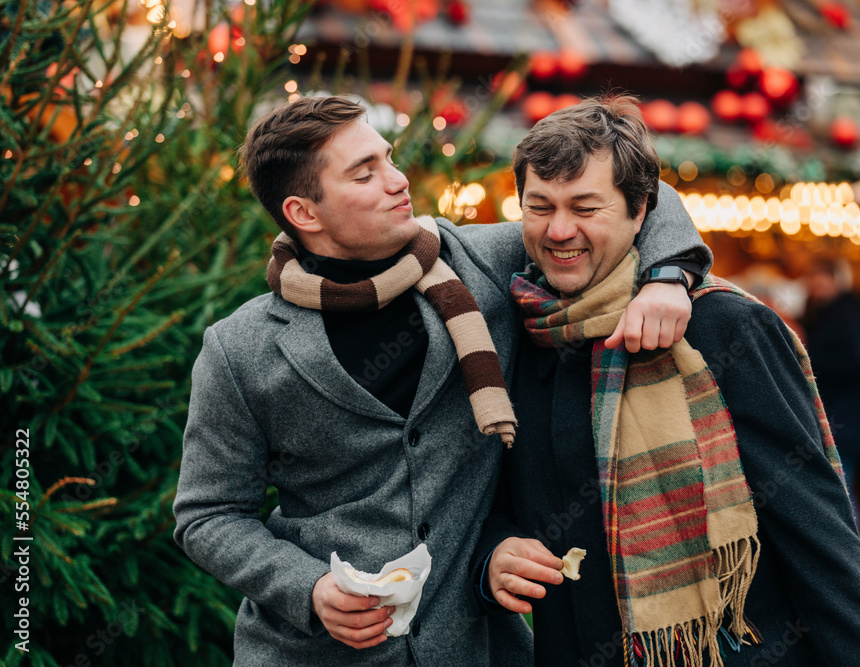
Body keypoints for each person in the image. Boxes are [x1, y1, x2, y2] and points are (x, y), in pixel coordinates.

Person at [171, 94, 712, 666]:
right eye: (366, 172)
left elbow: (630, 195)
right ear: (305, 213)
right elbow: (207, 515)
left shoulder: (478, 260)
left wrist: (667, 277)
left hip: (476, 649)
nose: (398, 180)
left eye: (388, 157)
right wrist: (309, 589)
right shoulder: (241, 347)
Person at [471, 96, 860, 666]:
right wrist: (493, 554)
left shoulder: (725, 327)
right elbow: (485, 499)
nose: (559, 229)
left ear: (641, 209)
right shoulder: (513, 334)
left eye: (585, 207)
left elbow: (818, 534)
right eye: (540, 205)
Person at [800, 257, 860, 511]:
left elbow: (857, 362)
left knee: (843, 490)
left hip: (842, 418)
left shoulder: (844, 316)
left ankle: (850, 549)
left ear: (834, 282)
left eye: (820, 283)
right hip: (837, 416)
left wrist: (813, 361)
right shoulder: (823, 313)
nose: (816, 289)